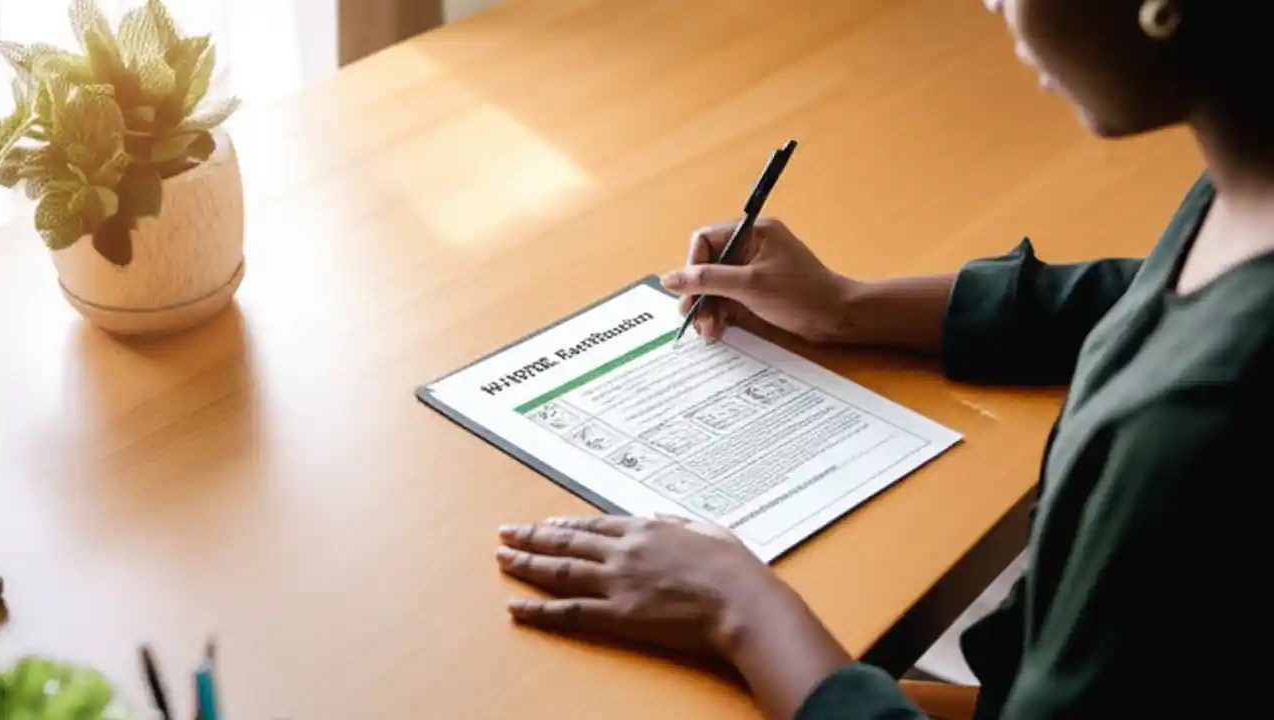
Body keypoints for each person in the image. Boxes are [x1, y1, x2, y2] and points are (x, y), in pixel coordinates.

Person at [493, 0, 1272, 717]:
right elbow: (1137, 291)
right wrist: (847, 307)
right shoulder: (1249, 174)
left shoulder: (1204, 421)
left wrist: (739, 606)